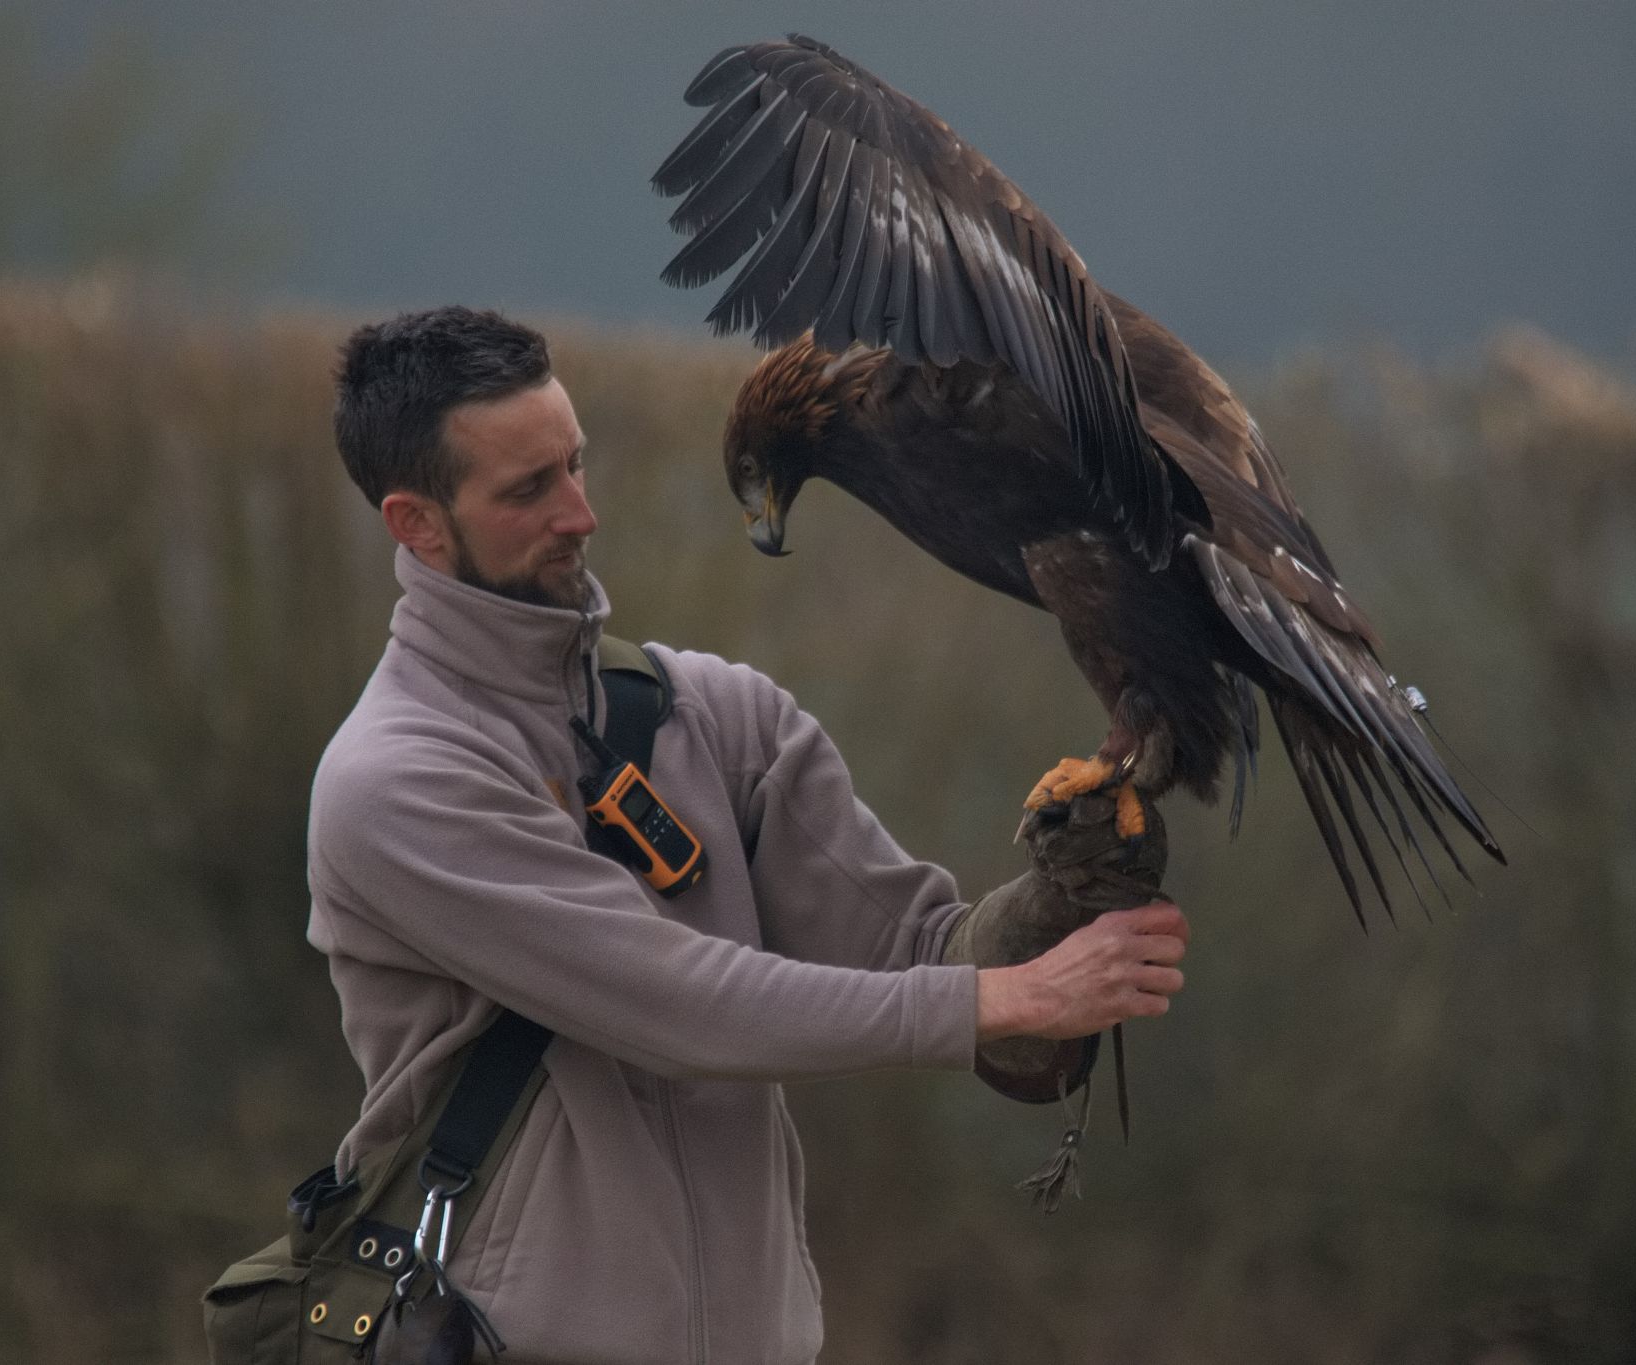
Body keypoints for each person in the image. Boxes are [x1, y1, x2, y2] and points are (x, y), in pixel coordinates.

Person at [308, 305, 1189, 1365]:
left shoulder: (711, 717)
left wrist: (1058, 909)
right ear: (416, 523)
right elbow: (673, 1002)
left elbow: (916, 953)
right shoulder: (396, 784)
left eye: (574, 465)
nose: (581, 514)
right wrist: (997, 1000)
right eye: (527, 490)